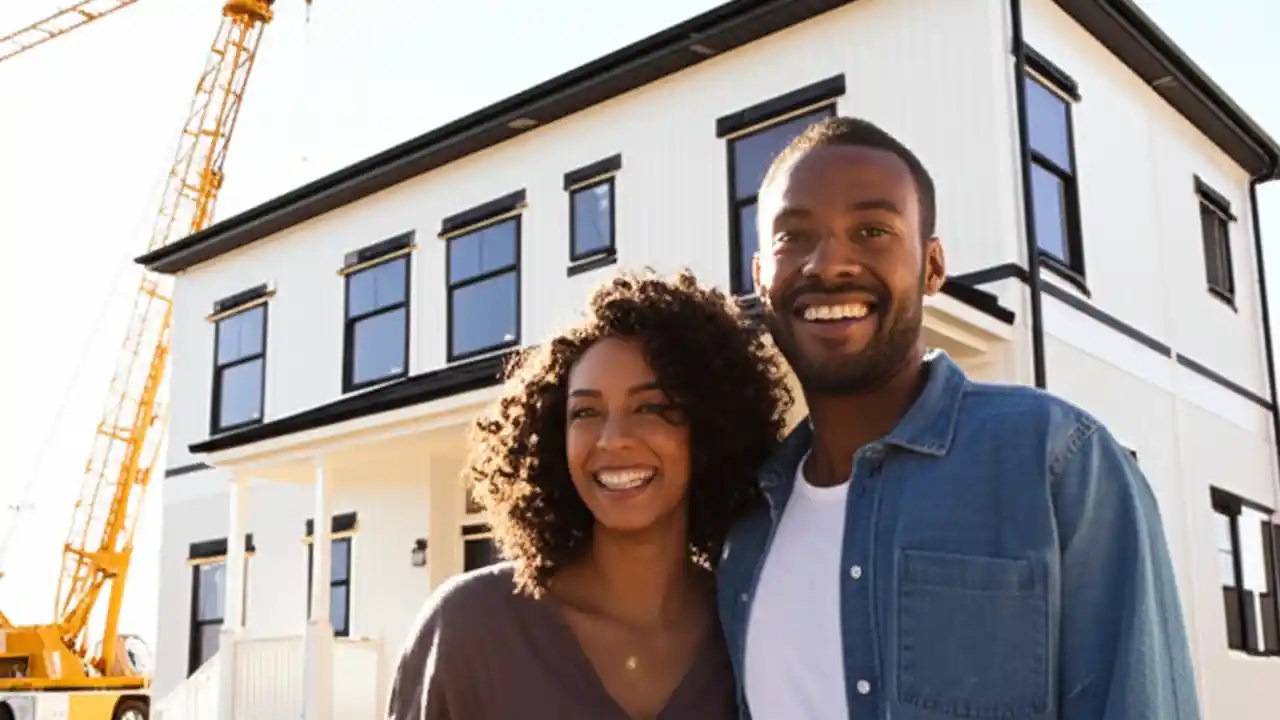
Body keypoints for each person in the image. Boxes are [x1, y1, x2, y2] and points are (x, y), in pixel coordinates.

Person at [715, 116, 1201, 719]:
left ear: (933, 266)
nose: (829, 262)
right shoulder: (746, 528)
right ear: (760, 277)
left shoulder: (1057, 463)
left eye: (872, 230)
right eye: (794, 236)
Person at [387, 270, 793, 720]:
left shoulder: (747, 630)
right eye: (586, 412)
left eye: (651, 407)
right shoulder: (469, 626)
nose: (613, 439)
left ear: (709, 428)